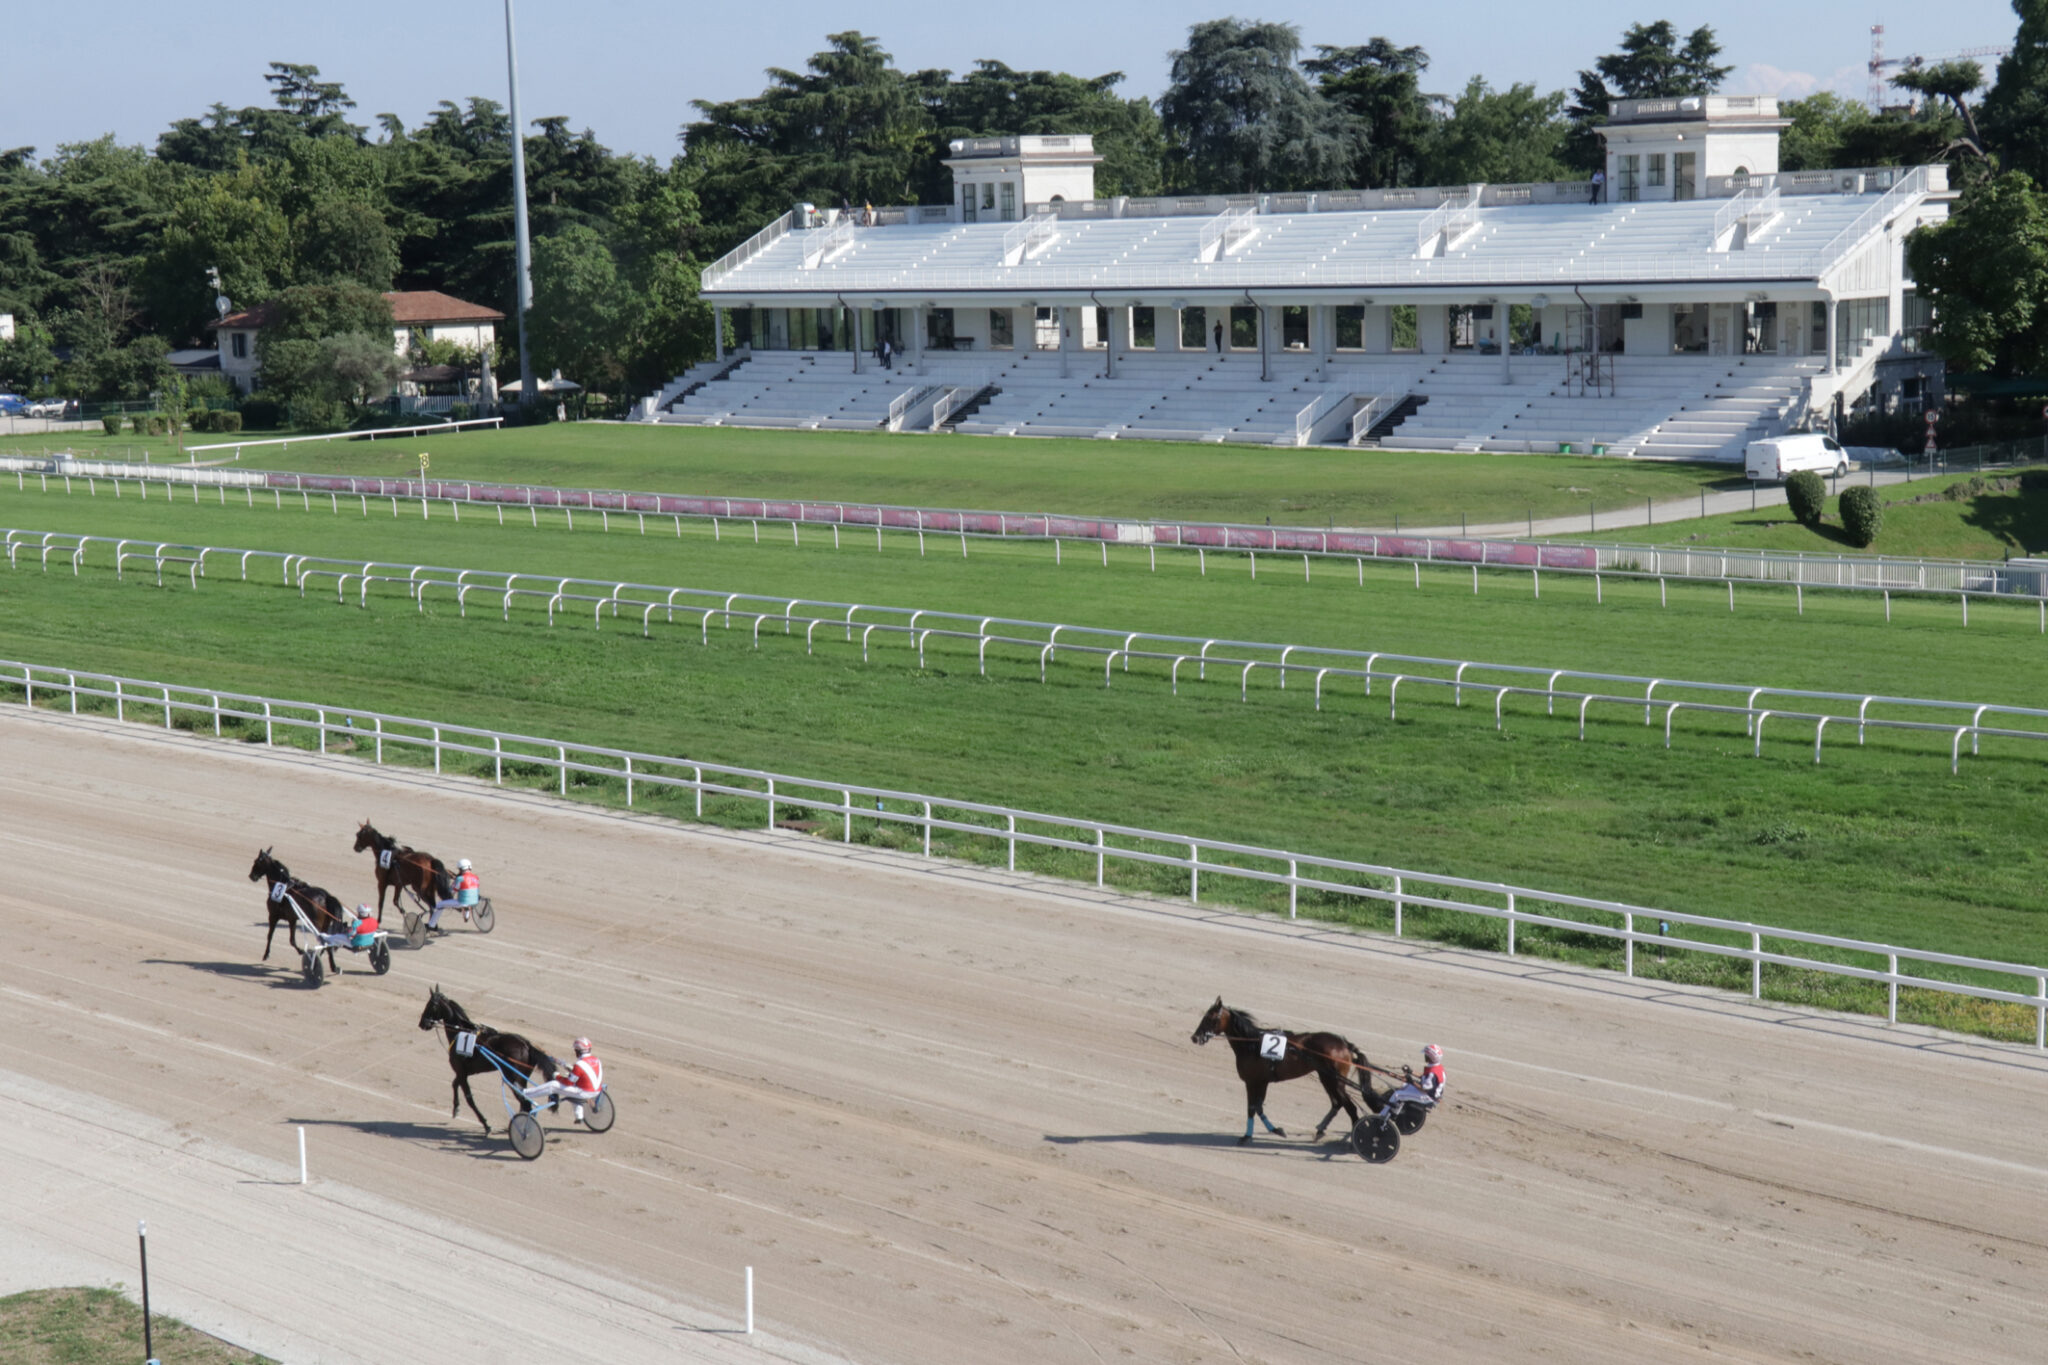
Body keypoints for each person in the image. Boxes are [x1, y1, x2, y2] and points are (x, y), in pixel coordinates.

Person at [531, 1038, 603, 1121]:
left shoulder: (579, 1065)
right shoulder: (597, 1060)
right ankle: (579, 1116)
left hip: (585, 1092)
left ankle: (525, 1094)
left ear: (578, 1051)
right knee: (572, 1091)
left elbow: (568, 1082)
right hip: (597, 1090)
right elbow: (583, 1072)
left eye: (575, 1050)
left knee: (553, 1085)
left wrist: (557, 1076)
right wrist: (562, 1063)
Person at [1384, 1043, 1446, 1111]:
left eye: (1426, 1055)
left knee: (1397, 1094)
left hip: (1429, 1097)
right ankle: (1398, 1108)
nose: (1425, 1056)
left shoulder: (1432, 1073)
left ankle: (1383, 1115)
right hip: (1431, 1093)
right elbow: (1424, 1076)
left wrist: (1411, 1081)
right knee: (1405, 1086)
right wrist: (1410, 1071)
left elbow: (1424, 1089)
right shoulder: (1437, 1067)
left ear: (1430, 1057)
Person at [428, 857, 479, 933]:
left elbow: (452, 892)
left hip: (462, 902)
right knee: (467, 898)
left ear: (460, 869)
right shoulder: (476, 877)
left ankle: (431, 925)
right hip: (475, 901)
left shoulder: (460, 879)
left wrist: (452, 883)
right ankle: (466, 914)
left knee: (439, 905)